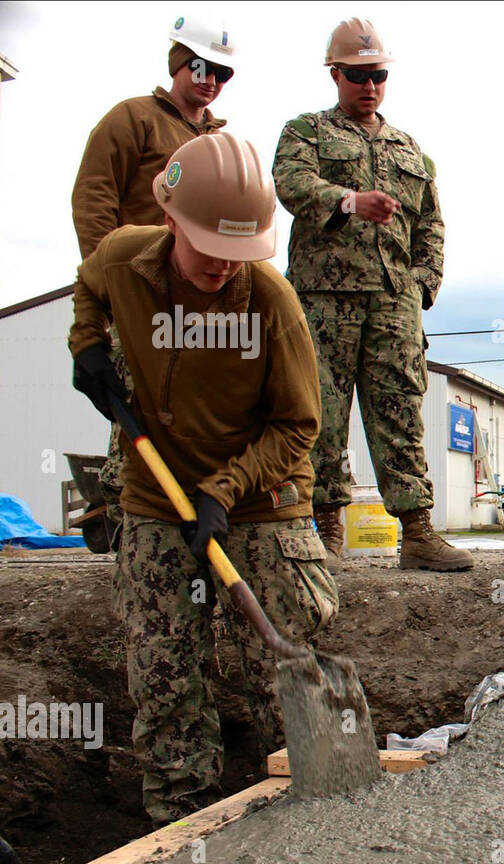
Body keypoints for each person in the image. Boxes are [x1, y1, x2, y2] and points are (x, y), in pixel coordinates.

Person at [67, 133, 338, 825]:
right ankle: (179, 820)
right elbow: (88, 287)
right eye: (209, 251)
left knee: (276, 658)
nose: (223, 268)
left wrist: (221, 491)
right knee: (164, 663)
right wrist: (87, 347)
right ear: (169, 223)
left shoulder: (272, 304)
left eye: (238, 255)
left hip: (257, 495)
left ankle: (307, 799)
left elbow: (297, 427)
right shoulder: (124, 260)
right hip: (156, 490)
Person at [273, 18, 471, 571]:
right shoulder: (306, 132)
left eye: (378, 75)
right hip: (322, 301)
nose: (369, 86)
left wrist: (423, 284)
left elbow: (431, 222)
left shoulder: (411, 150)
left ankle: (418, 533)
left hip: (393, 303)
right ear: (335, 74)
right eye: (357, 75)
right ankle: (326, 531)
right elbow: (290, 185)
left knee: (400, 411)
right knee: (320, 413)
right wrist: (347, 201)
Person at [71, 14, 236, 551]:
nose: (210, 79)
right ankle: (125, 515)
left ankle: (185, 511)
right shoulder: (132, 120)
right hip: (138, 287)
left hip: (200, 295)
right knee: (137, 397)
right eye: (200, 66)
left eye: (221, 73)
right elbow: (94, 198)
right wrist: (107, 281)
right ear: (177, 65)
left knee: (190, 403)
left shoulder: (218, 140)